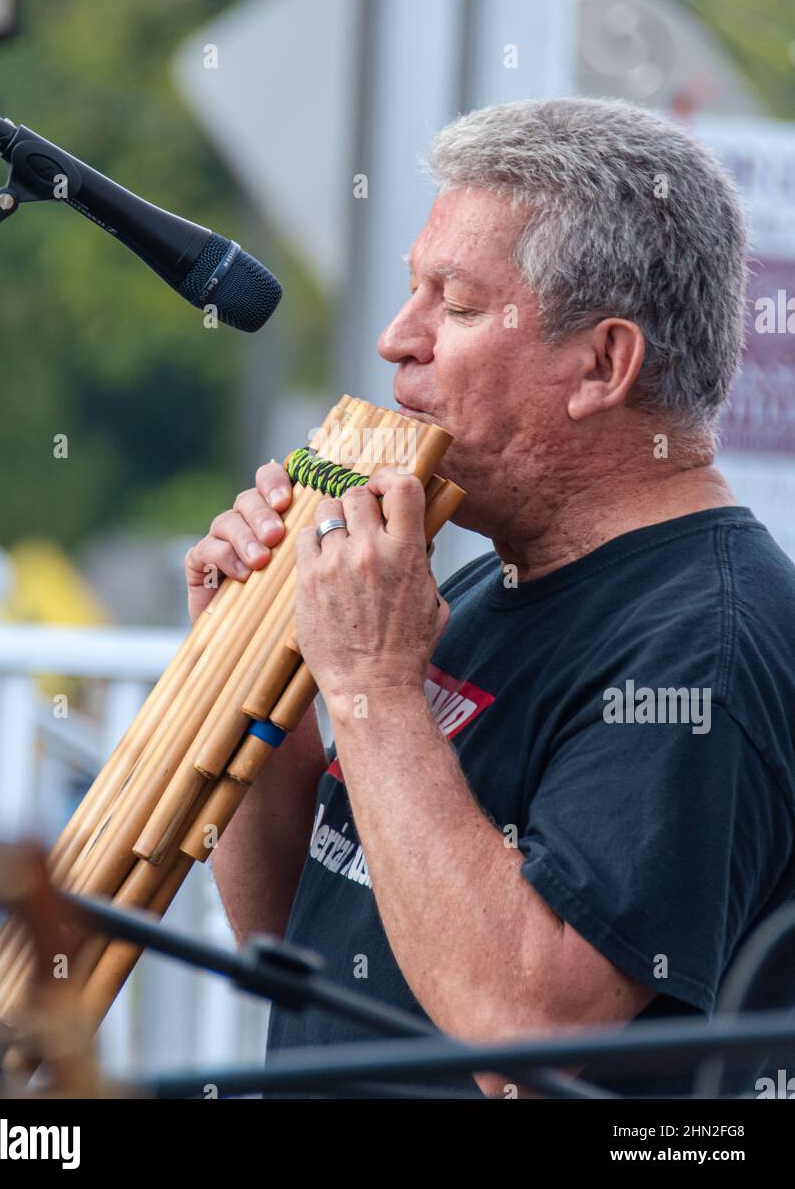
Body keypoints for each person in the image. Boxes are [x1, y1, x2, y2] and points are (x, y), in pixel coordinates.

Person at [185, 98, 795, 1099]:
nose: (395, 341)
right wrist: (253, 673)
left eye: (453, 304)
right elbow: (292, 928)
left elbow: (531, 1031)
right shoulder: (483, 575)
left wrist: (374, 685)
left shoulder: (701, 651)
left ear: (601, 363)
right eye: (408, 292)